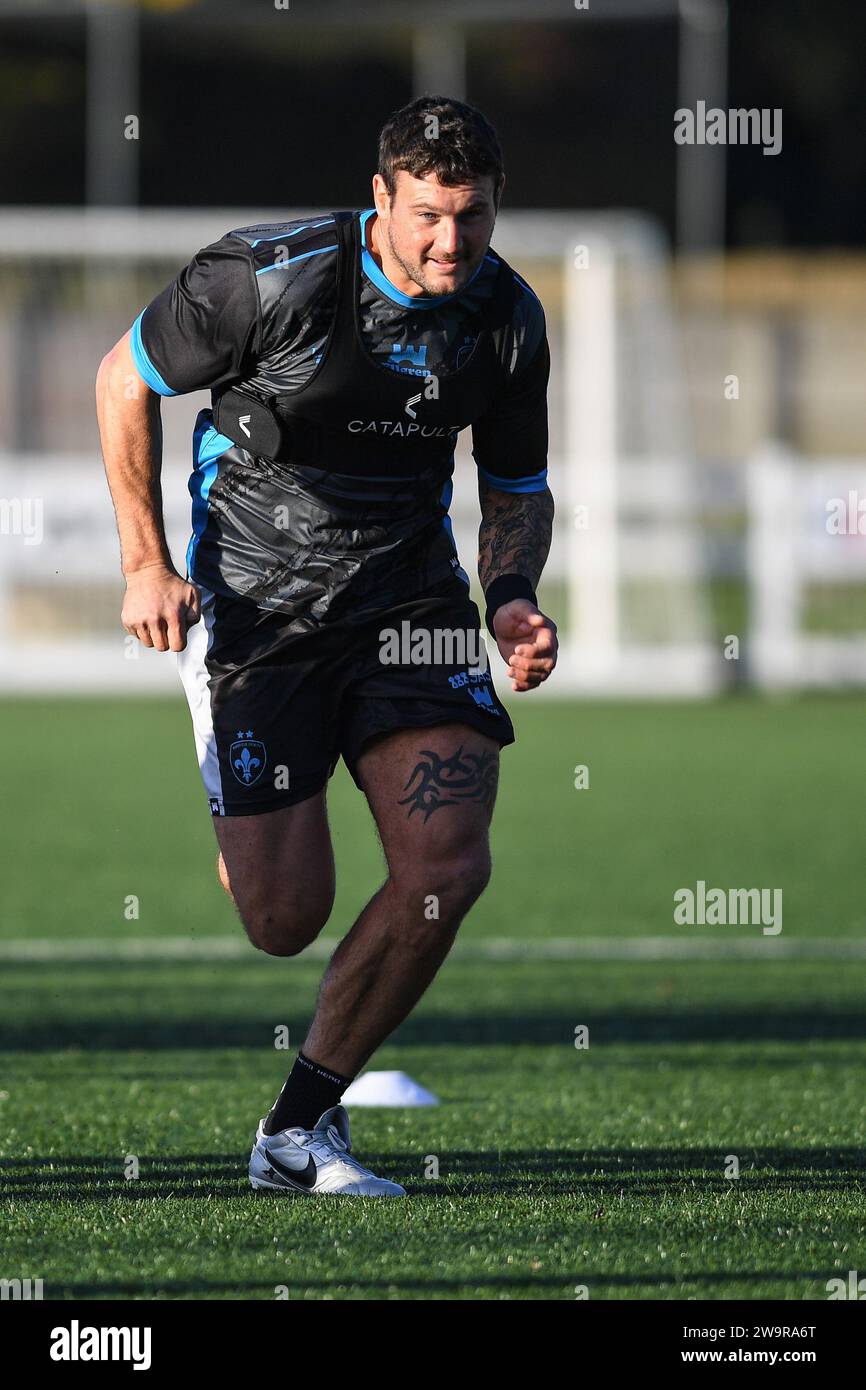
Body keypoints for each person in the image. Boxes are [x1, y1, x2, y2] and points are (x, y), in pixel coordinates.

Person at [96, 95, 557, 1197]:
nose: (451, 241)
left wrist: (509, 596)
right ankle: (240, 777)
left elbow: (515, 484)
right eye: (429, 215)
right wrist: (145, 564)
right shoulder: (267, 279)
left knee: (447, 864)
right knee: (284, 918)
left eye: (474, 216)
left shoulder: (506, 316)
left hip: (410, 603)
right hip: (260, 610)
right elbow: (123, 379)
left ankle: (298, 1128)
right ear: (380, 197)